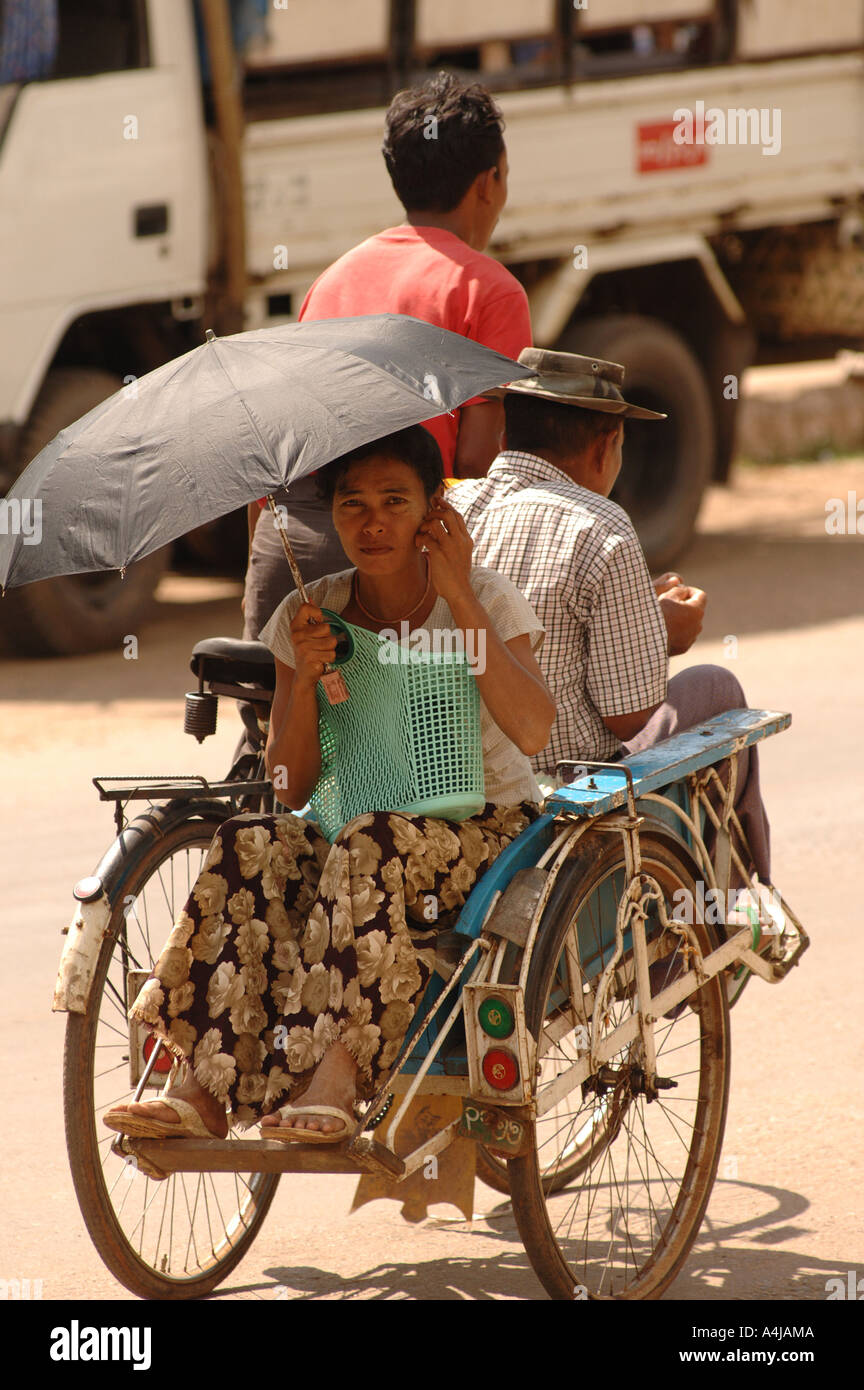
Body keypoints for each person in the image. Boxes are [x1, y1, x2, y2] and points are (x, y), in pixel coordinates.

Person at [105, 425, 554, 1144]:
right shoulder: (309, 613)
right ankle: (200, 1086)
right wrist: (305, 679)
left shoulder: (488, 600)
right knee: (252, 842)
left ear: (434, 510)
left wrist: (460, 595)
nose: (372, 522)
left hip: (486, 835)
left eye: (394, 501)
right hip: (354, 830)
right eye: (352, 504)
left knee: (368, 839)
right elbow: (288, 785)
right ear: (331, 515)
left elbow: (534, 731)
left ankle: (339, 1076)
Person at [450, 347, 772, 887]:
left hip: (457, 767)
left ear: (505, 437)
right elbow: (630, 718)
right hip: (562, 780)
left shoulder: (453, 509)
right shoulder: (599, 524)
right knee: (718, 686)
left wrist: (637, 614)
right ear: (607, 447)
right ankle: (741, 895)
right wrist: (661, 634)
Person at [241, 71, 532, 666]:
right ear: (491, 180)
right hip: (385, 560)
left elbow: (278, 440)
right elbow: (476, 469)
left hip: (284, 549)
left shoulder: (336, 277)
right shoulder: (491, 291)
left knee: (279, 737)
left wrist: (269, 562)